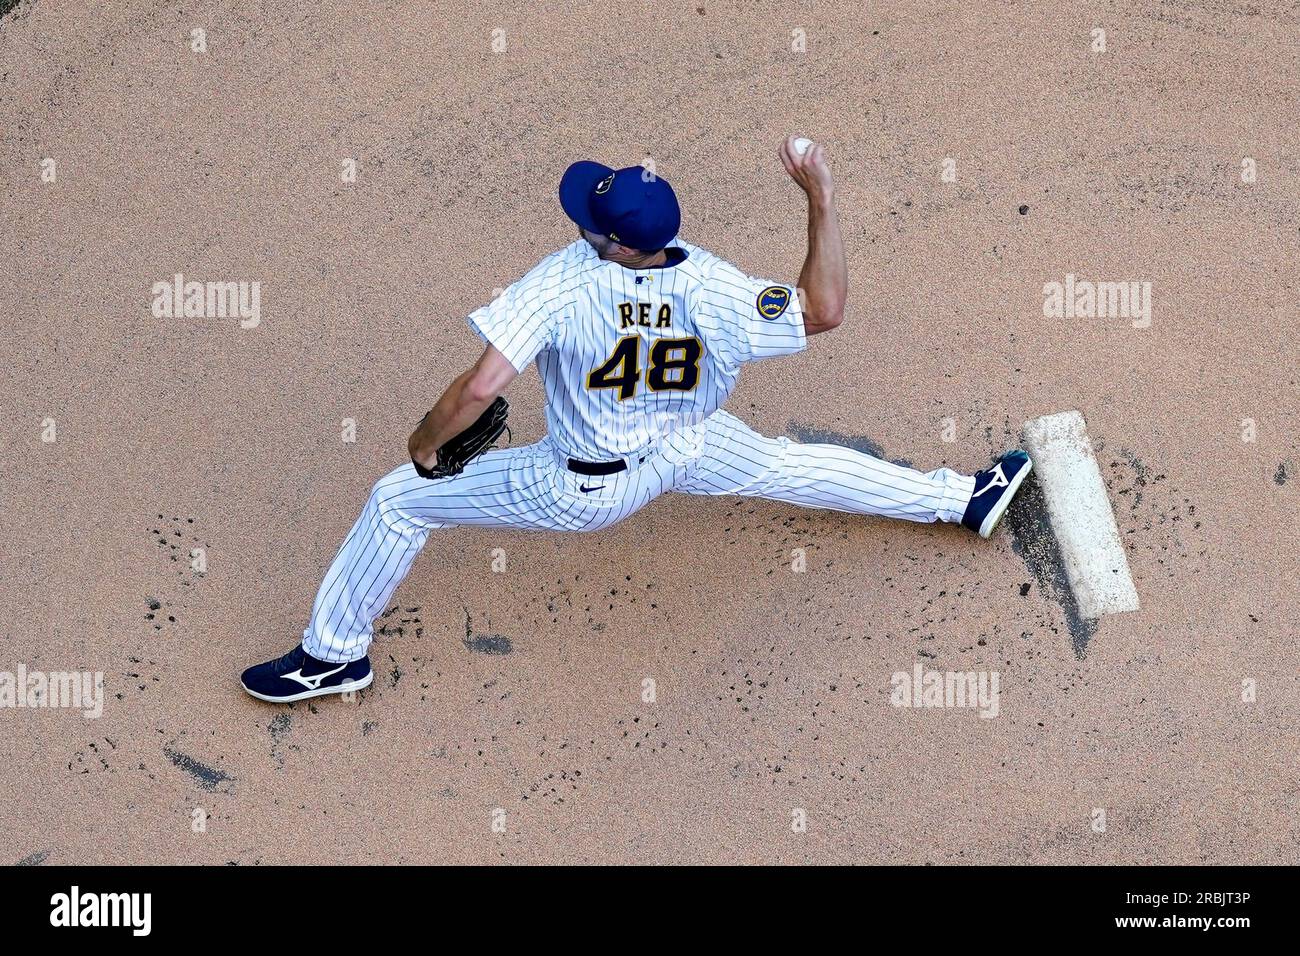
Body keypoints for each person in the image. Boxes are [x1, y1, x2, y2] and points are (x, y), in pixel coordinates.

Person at [240, 137, 1031, 703]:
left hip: (580, 487)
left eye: (591, 222)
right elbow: (824, 309)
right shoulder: (714, 284)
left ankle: (332, 657)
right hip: (687, 445)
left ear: (618, 246)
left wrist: (423, 444)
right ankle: (960, 499)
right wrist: (821, 200)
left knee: (394, 501)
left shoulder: (566, 281)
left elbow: (481, 385)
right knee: (786, 464)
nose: (579, 225)